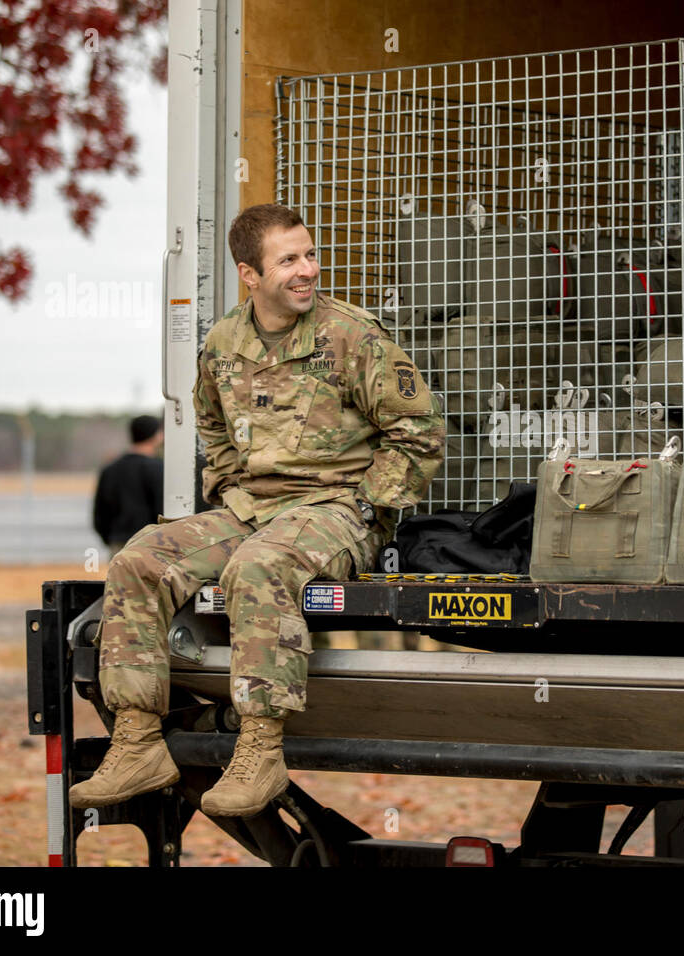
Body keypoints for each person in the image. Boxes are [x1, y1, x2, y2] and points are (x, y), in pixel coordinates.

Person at [70, 203, 445, 817]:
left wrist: (365, 504)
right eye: (288, 260)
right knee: (139, 559)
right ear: (249, 274)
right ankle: (138, 742)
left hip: (333, 510)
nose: (308, 270)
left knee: (258, 566)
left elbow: (420, 431)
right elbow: (212, 426)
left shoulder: (350, 335)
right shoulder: (223, 341)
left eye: (310, 254)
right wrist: (227, 487)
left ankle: (261, 750)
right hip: (252, 508)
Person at [92, 415, 164, 561]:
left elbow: (99, 514)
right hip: (151, 545)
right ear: (155, 435)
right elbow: (162, 509)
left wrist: (111, 538)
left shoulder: (110, 469)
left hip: (118, 545)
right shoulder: (159, 469)